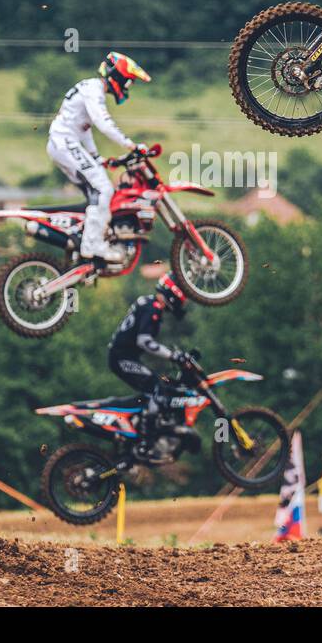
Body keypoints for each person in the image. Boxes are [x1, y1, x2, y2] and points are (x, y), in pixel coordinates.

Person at [47, 51, 151, 262]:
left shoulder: (90, 88)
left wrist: (96, 157)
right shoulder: (93, 90)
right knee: (103, 188)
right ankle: (92, 246)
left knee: (95, 193)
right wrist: (130, 145)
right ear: (117, 77)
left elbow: (84, 129)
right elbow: (102, 122)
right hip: (64, 143)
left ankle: (84, 241)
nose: (127, 86)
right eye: (128, 81)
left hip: (64, 143)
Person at [107, 273, 198, 439]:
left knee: (154, 387)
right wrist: (173, 356)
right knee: (156, 386)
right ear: (174, 294)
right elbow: (144, 341)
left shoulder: (148, 302)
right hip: (121, 358)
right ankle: (147, 436)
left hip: (122, 356)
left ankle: (140, 425)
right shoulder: (153, 307)